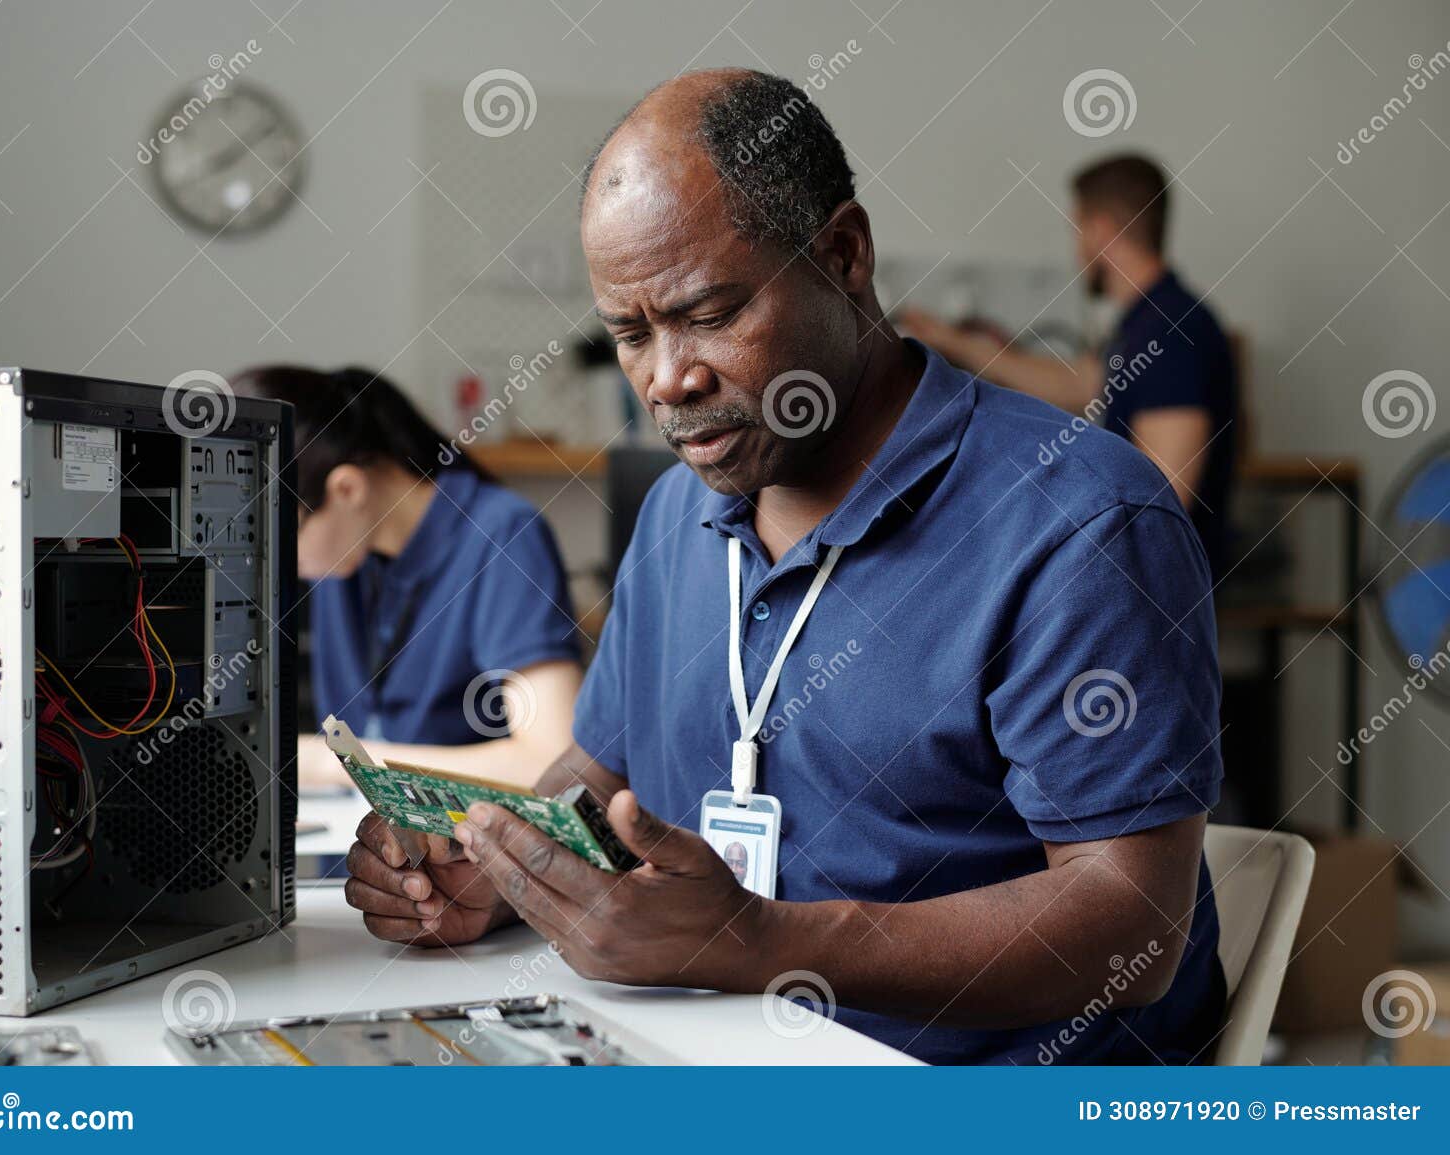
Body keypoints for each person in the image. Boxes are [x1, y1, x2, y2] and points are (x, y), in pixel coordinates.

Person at [342, 71, 1226, 1065]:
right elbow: (594, 774)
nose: (666, 377)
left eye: (709, 312)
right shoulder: (679, 515)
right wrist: (491, 872)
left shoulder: (1080, 522)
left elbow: (1134, 926)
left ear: (843, 254)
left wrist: (754, 941)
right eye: (629, 334)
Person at [233, 365, 583, 788]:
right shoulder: (345, 552)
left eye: (276, 539)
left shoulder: (503, 536)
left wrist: (336, 762)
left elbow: (549, 762)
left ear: (346, 489)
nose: (267, 565)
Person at [903, 153, 1238, 577]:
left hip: (1162, 600)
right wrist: (954, 344)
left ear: (1098, 230)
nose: (1077, 248)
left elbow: (1160, 506)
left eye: (1077, 229)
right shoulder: (1149, 322)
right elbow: (1080, 385)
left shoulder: (1169, 334)